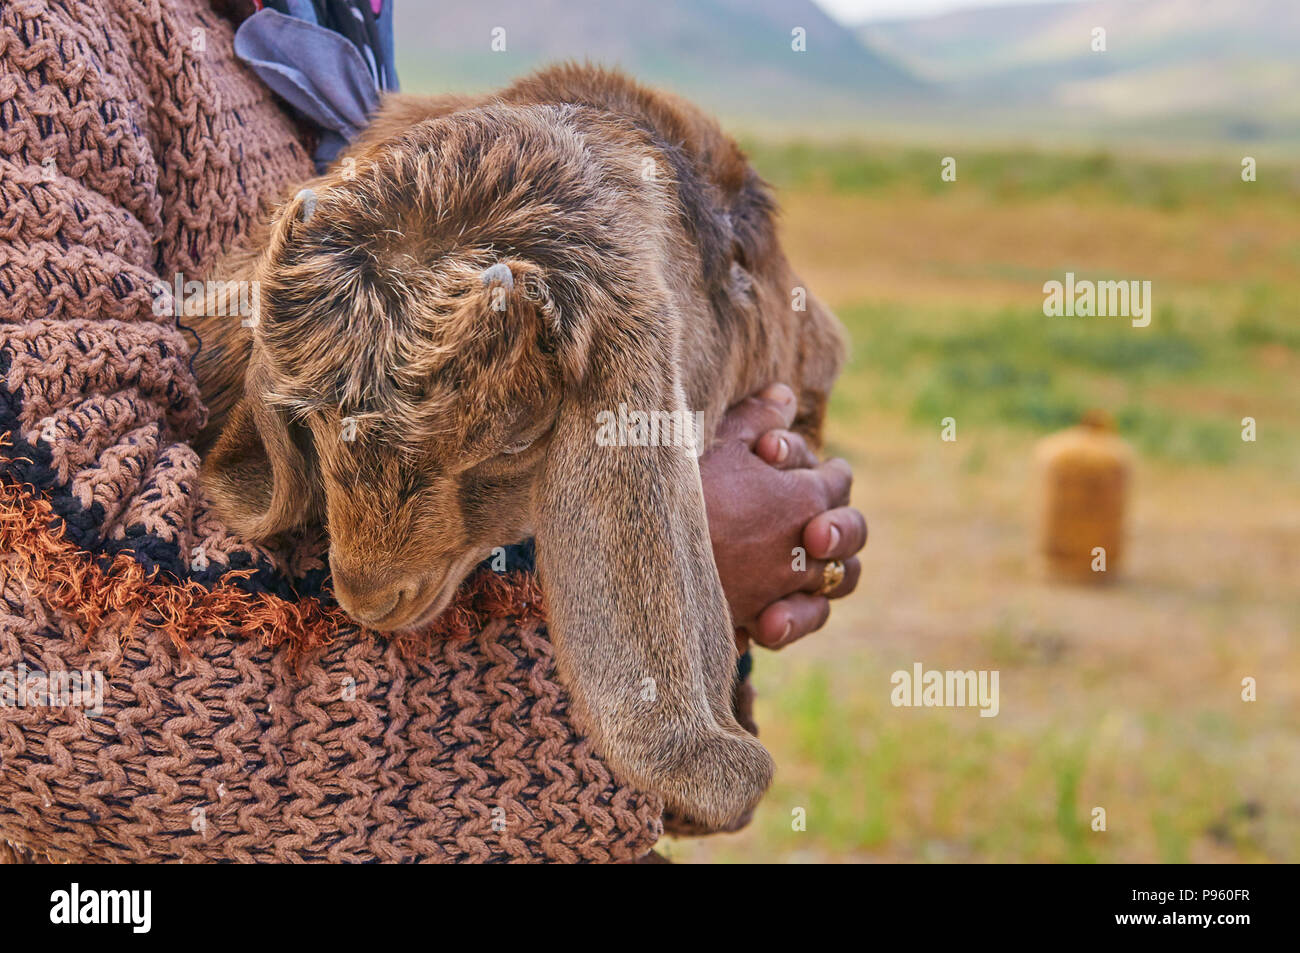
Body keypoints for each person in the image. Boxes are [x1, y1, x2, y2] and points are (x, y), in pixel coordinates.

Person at [0, 0, 865, 862]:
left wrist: (681, 516)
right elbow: (65, 664)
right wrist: (660, 563)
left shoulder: (336, 29)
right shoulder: (44, 39)